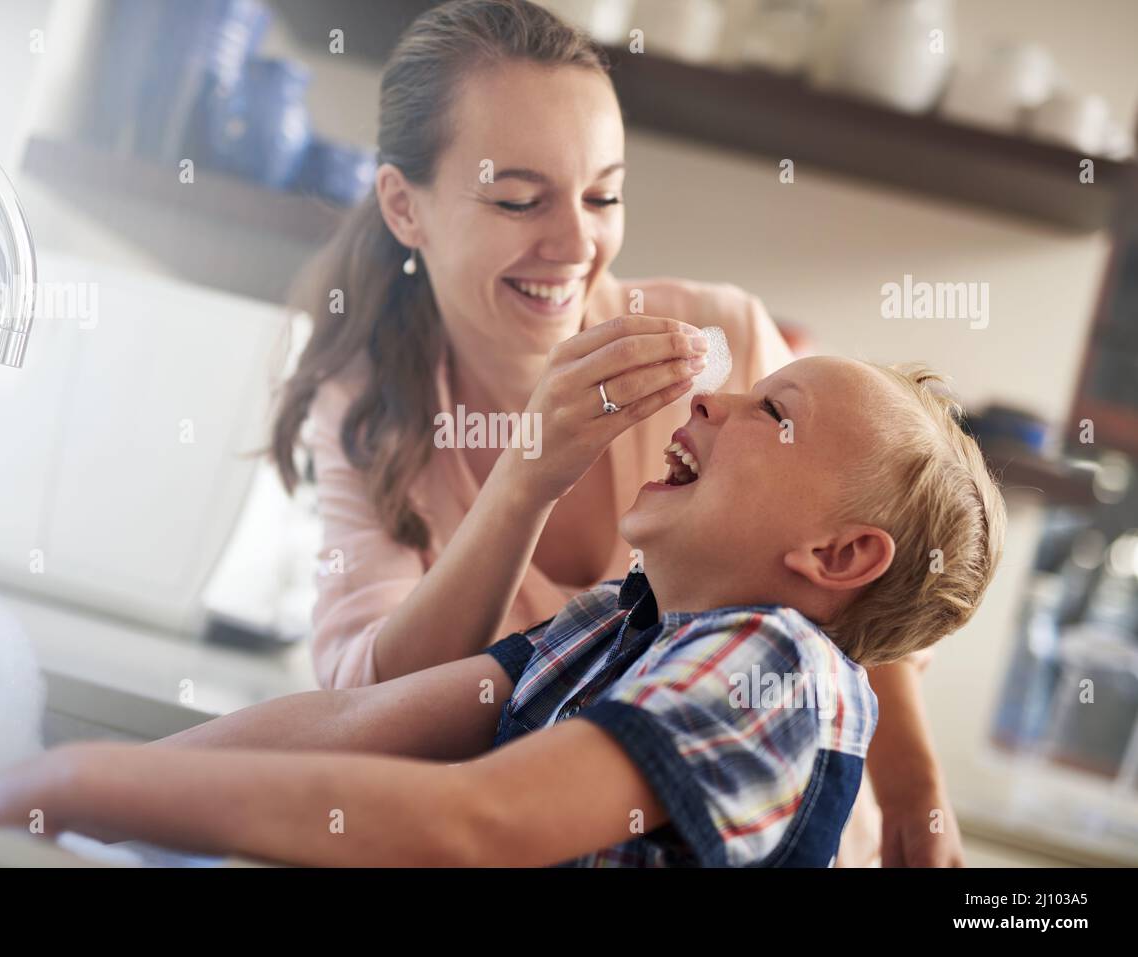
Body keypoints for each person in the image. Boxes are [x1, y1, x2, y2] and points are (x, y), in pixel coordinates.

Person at [271, 0, 963, 865]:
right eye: (519, 199)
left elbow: (855, 550)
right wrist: (525, 479)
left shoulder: (720, 342)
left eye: (604, 195)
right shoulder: (371, 406)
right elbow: (370, 718)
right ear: (405, 207)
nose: (575, 243)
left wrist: (916, 794)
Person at [0, 358, 1006, 867]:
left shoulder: (777, 666)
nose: (709, 399)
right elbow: (351, 724)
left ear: (837, 555)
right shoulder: (623, 623)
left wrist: (74, 780)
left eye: (772, 410)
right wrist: (59, 794)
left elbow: (475, 823)